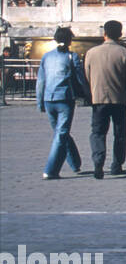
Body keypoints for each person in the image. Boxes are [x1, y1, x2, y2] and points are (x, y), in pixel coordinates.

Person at [84, 19, 126, 178]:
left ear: (104, 33)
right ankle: (116, 164)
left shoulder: (91, 53)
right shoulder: (124, 53)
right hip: (119, 99)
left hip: (98, 99)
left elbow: (87, 76)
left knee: (98, 132)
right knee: (119, 134)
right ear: (120, 34)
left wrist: (93, 92)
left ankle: (98, 162)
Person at [36, 26, 89, 178]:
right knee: (61, 134)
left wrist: (39, 101)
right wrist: (88, 94)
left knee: (60, 133)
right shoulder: (72, 56)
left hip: (48, 99)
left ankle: (74, 162)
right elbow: (80, 78)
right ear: (69, 40)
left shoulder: (46, 56)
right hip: (65, 99)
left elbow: (41, 81)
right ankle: (50, 170)